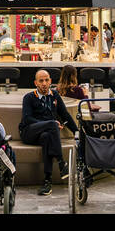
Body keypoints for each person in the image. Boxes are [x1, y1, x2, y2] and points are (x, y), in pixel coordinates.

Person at [19, 68, 77, 196]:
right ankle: (61, 162)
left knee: (46, 137)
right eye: (41, 81)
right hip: (29, 132)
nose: (44, 83)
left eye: (46, 80)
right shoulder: (29, 97)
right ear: (36, 83)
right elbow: (27, 119)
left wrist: (77, 132)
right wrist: (49, 124)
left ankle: (47, 180)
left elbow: (65, 115)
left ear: (50, 81)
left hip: (45, 133)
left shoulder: (55, 96)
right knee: (52, 124)